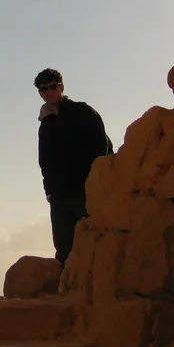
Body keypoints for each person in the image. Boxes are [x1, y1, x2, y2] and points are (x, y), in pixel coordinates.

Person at [34, 68, 112, 265]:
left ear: (61, 86)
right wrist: (49, 191)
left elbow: (101, 146)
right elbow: (45, 160)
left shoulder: (83, 112)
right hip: (60, 194)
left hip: (86, 189)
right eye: (44, 89)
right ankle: (67, 289)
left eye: (53, 87)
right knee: (64, 246)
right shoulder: (46, 123)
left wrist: (96, 183)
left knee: (94, 241)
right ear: (40, 93)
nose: (49, 92)